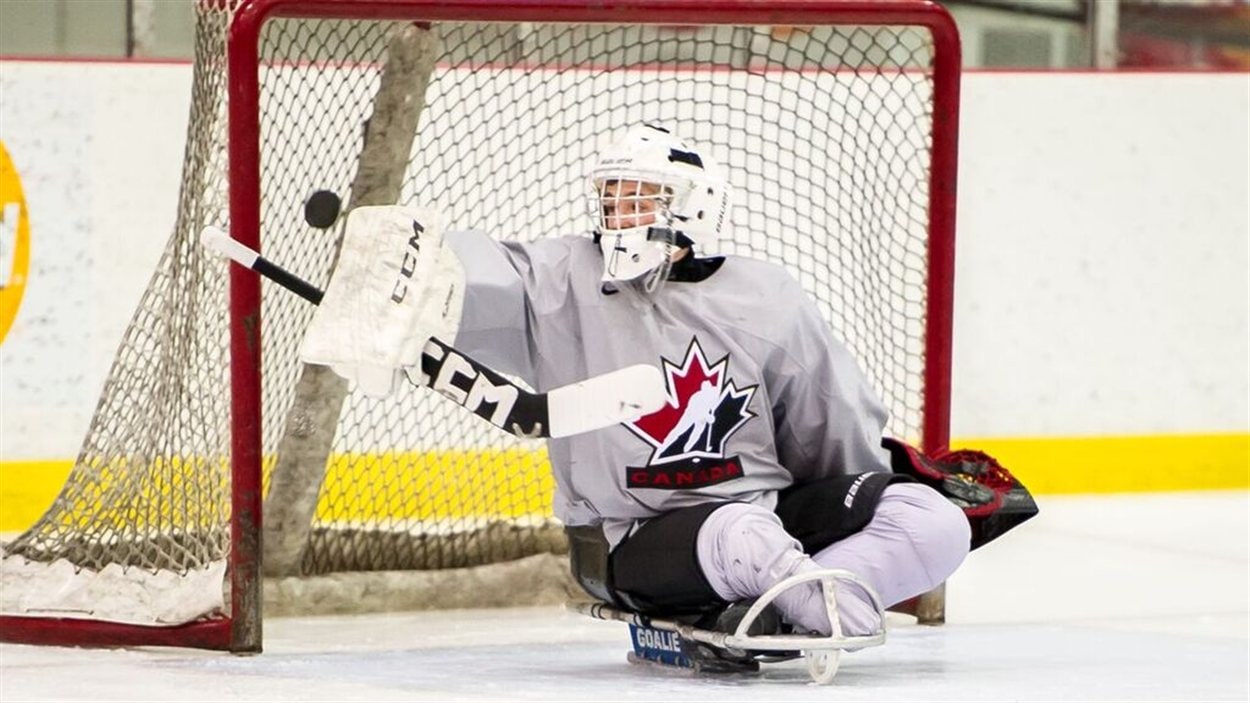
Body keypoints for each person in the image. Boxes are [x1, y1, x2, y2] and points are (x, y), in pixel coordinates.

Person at [302, 123, 1033, 642]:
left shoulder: (766, 297)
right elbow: (471, 280)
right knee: (746, 534)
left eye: (639, 198)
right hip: (630, 538)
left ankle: (776, 612)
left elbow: (827, 422)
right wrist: (407, 268)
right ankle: (823, 611)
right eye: (613, 199)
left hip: (765, 509)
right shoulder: (561, 277)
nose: (619, 216)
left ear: (695, 204)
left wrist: (870, 493)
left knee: (932, 518)